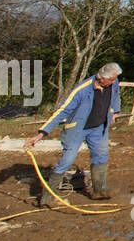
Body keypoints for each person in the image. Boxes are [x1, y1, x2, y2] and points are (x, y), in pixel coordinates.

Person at [25, 62, 123, 201]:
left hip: (99, 128)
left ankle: (99, 190)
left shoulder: (113, 83)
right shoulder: (82, 90)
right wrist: (41, 133)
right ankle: (48, 196)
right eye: (111, 80)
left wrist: (115, 111)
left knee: (101, 156)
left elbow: (116, 95)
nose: (114, 82)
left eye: (114, 79)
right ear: (101, 79)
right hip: (77, 129)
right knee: (67, 160)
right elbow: (62, 110)